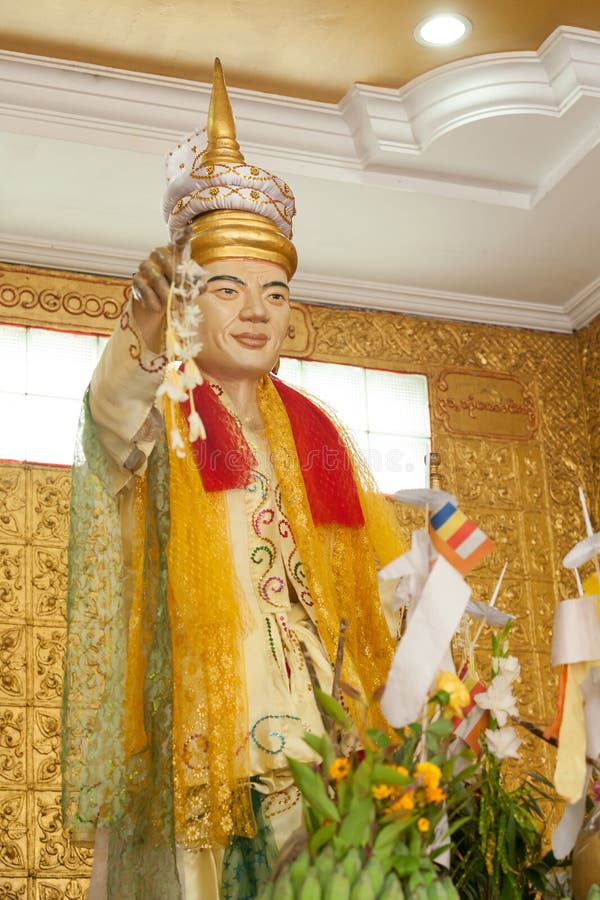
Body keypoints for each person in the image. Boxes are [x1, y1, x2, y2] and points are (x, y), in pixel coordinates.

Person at [62, 59, 405, 900]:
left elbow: (364, 590)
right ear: (187, 300)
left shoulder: (316, 430)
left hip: (331, 747)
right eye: (227, 288)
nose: (255, 310)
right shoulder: (167, 406)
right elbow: (110, 423)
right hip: (214, 743)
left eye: (274, 291)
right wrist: (141, 340)